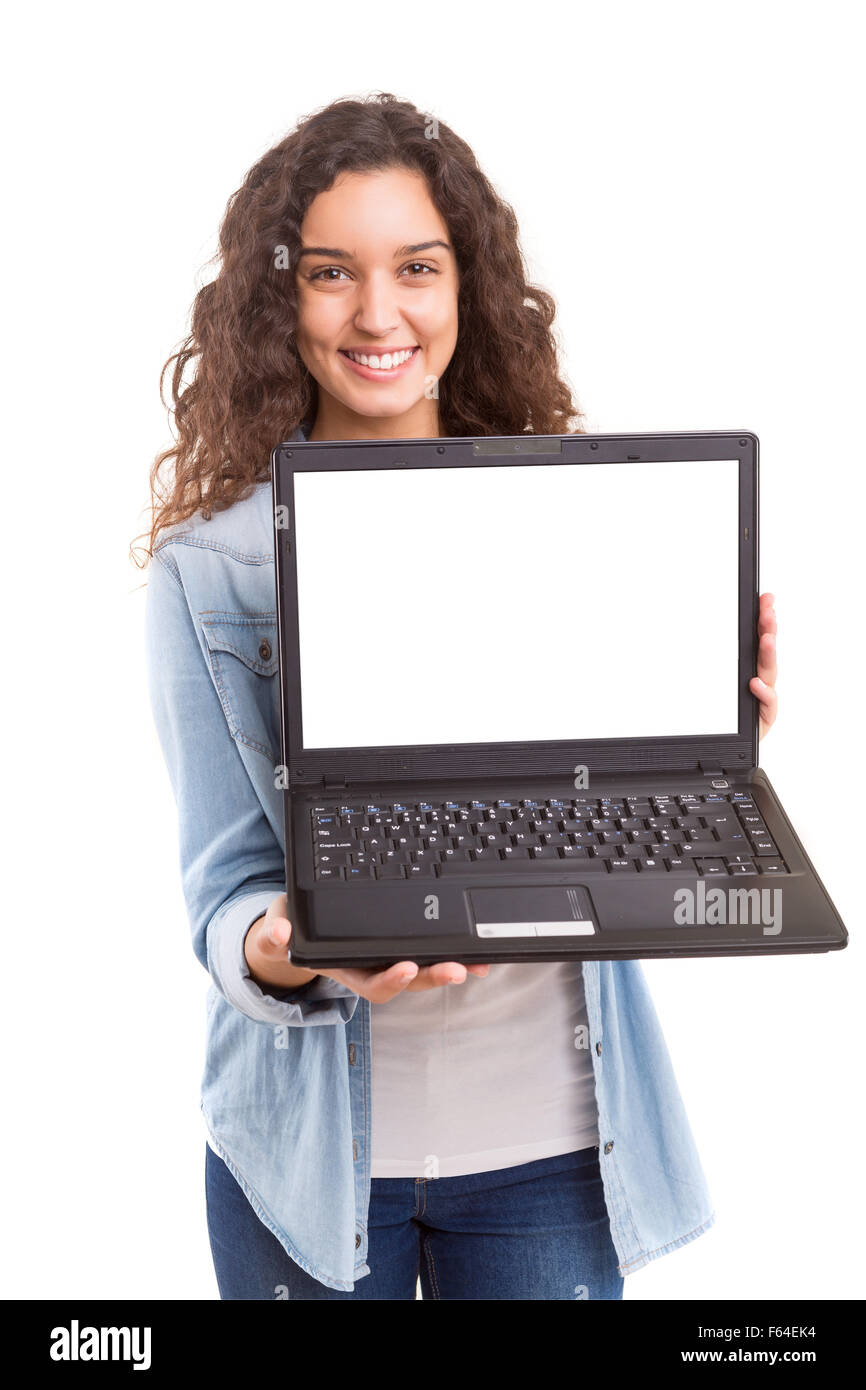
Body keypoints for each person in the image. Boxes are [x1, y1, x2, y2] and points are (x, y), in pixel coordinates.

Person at [140, 92, 779, 1300]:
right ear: (280, 299)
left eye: (416, 269)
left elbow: (598, 808)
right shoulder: (211, 575)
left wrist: (705, 737)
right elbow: (222, 894)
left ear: (463, 289)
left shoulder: (574, 528)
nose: (377, 314)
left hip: (549, 1151)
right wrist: (294, 949)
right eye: (331, 272)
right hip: (308, 1163)